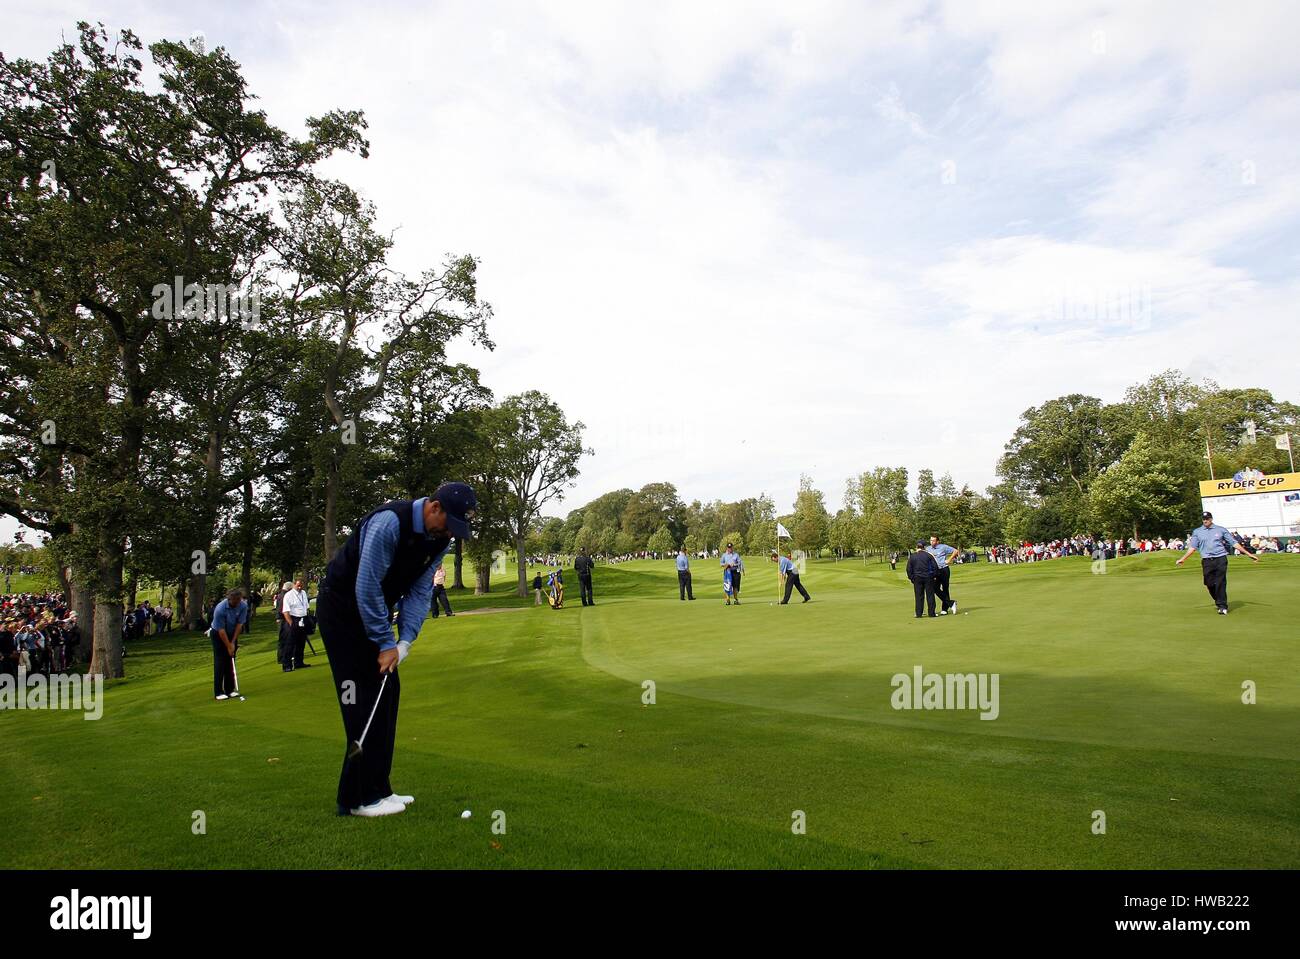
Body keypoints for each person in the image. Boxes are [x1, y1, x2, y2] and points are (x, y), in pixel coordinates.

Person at [317, 483, 476, 818]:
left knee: (387, 693)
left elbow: (419, 591)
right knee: (360, 698)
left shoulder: (438, 539)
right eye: (449, 524)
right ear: (434, 507)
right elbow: (367, 585)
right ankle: (356, 799)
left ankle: (379, 789)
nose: (450, 533)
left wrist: (405, 640)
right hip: (341, 610)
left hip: (370, 610)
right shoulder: (389, 522)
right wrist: (385, 641)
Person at [1176, 511, 1260, 614]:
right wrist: (1183, 558)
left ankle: (1222, 606)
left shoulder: (1220, 530)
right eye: (1203, 519)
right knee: (1209, 583)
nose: (1205, 520)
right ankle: (1219, 600)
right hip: (1207, 560)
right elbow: (1192, 547)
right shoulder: (1197, 532)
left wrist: (1248, 554)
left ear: (1211, 519)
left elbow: (1234, 543)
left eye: (1207, 518)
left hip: (1220, 558)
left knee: (1220, 582)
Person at [209, 588, 247, 700]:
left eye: (238, 600)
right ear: (229, 599)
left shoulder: (243, 606)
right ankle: (218, 692)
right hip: (217, 634)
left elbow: (240, 625)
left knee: (231, 660)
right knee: (220, 661)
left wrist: (233, 642)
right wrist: (228, 645)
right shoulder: (220, 609)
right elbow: (221, 630)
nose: (236, 603)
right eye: (234, 601)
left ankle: (230, 690)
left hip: (232, 633)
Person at [283, 578, 312, 671]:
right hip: (293, 619)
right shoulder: (289, 595)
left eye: (301, 585)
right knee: (290, 644)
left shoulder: (303, 593)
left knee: (301, 643)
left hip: (302, 619)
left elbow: (306, 606)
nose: (299, 587)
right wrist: (291, 624)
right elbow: (285, 611)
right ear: (294, 585)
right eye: (298, 585)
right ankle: (287, 665)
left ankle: (299, 662)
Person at [907, 541, 940, 618]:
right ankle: (931, 613)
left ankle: (919, 613)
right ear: (924, 547)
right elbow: (935, 567)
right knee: (930, 595)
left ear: (916, 547)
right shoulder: (929, 555)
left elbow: (909, 569)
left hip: (917, 578)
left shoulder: (912, 556)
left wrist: (911, 578)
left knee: (919, 596)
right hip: (928, 577)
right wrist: (934, 576)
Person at [927, 535, 958, 615]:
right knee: (935, 588)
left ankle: (945, 609)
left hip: (944, 569)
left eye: (933, 541)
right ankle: (951, 603)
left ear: (937, 541)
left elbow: (955, 551)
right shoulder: (928, 549)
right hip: (934, 571)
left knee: (945, 588)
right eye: (931, 540)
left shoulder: (943, 547)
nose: (932, 542)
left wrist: (949, 560)